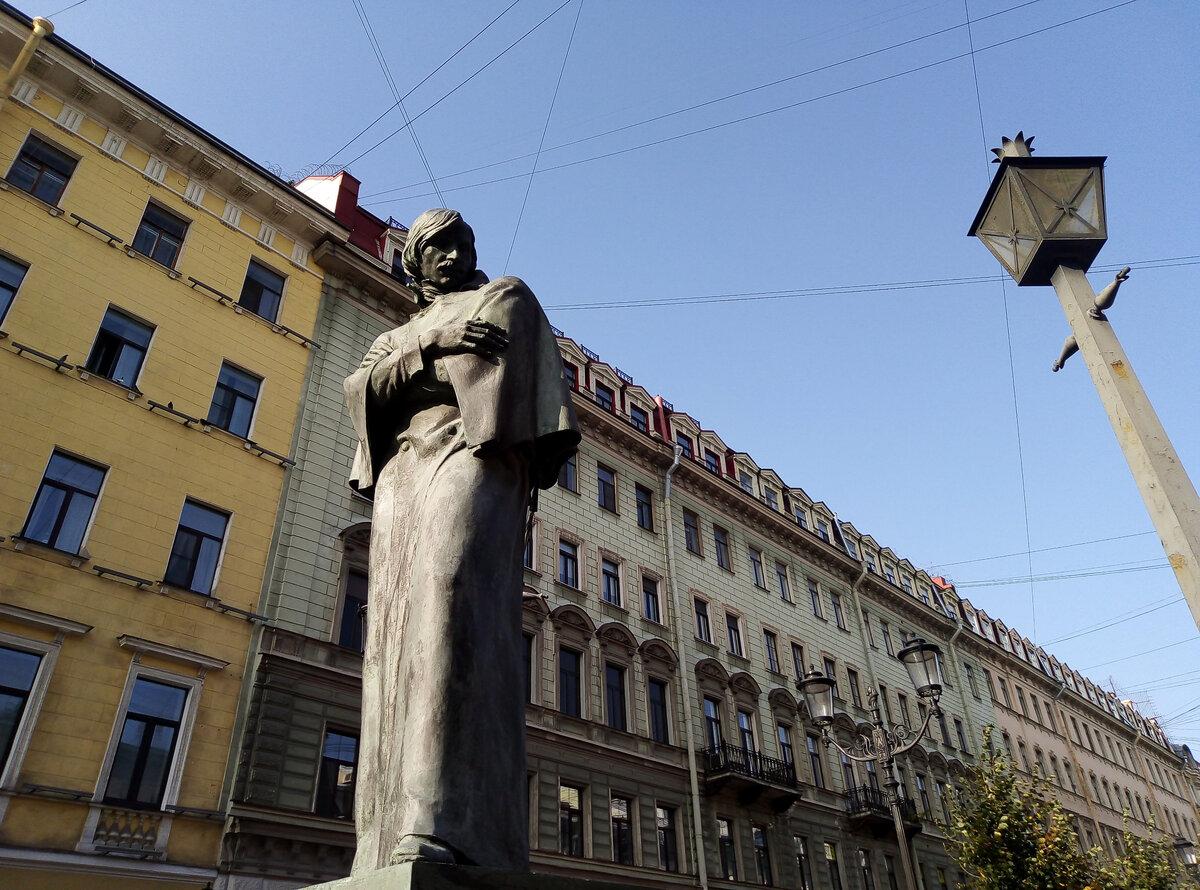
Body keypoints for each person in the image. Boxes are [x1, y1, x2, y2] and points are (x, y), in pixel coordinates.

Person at [343, 209, 579, 873]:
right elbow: (358, 392)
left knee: (449, 596)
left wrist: (411, 370)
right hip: (401, 470)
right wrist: (433, 345)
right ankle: (378, 839)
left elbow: (487, 382)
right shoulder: (402, 331)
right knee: (390, 630)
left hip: (476, 454)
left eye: (461, 243)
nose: (452, 254)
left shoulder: (503, 295)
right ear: (414, 262)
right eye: (435, 247)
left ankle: (438, 823)